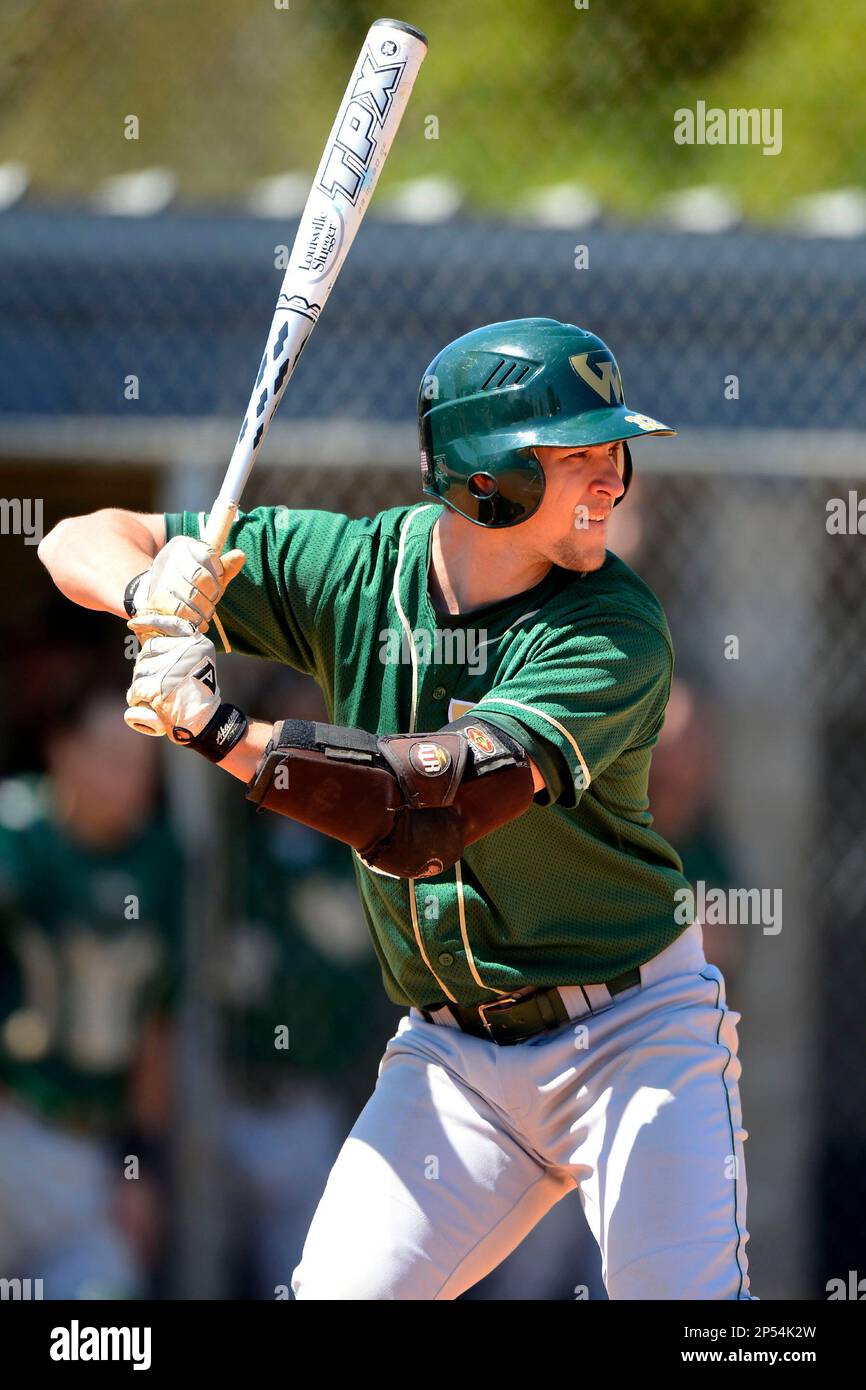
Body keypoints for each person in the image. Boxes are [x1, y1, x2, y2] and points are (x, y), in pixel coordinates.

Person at [39, 317, 752, 1300]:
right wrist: (149, 585)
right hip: (454, 1058)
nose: (610, 480)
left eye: (611, 451)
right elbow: (73, 536)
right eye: (575, 454)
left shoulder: (611, 628)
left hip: (633, 1034)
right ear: (482, 476)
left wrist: (212, 727)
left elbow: (423, 814)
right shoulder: (354, 570)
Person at [0, 686, 180, 1298]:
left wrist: (140, 1168)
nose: (130, 783)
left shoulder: (160, 860)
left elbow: (157, 1022)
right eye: (112, 761)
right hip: (14, 1124)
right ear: (62, 752)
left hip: (91, 1151)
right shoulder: (17, 834)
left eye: (142, 767)